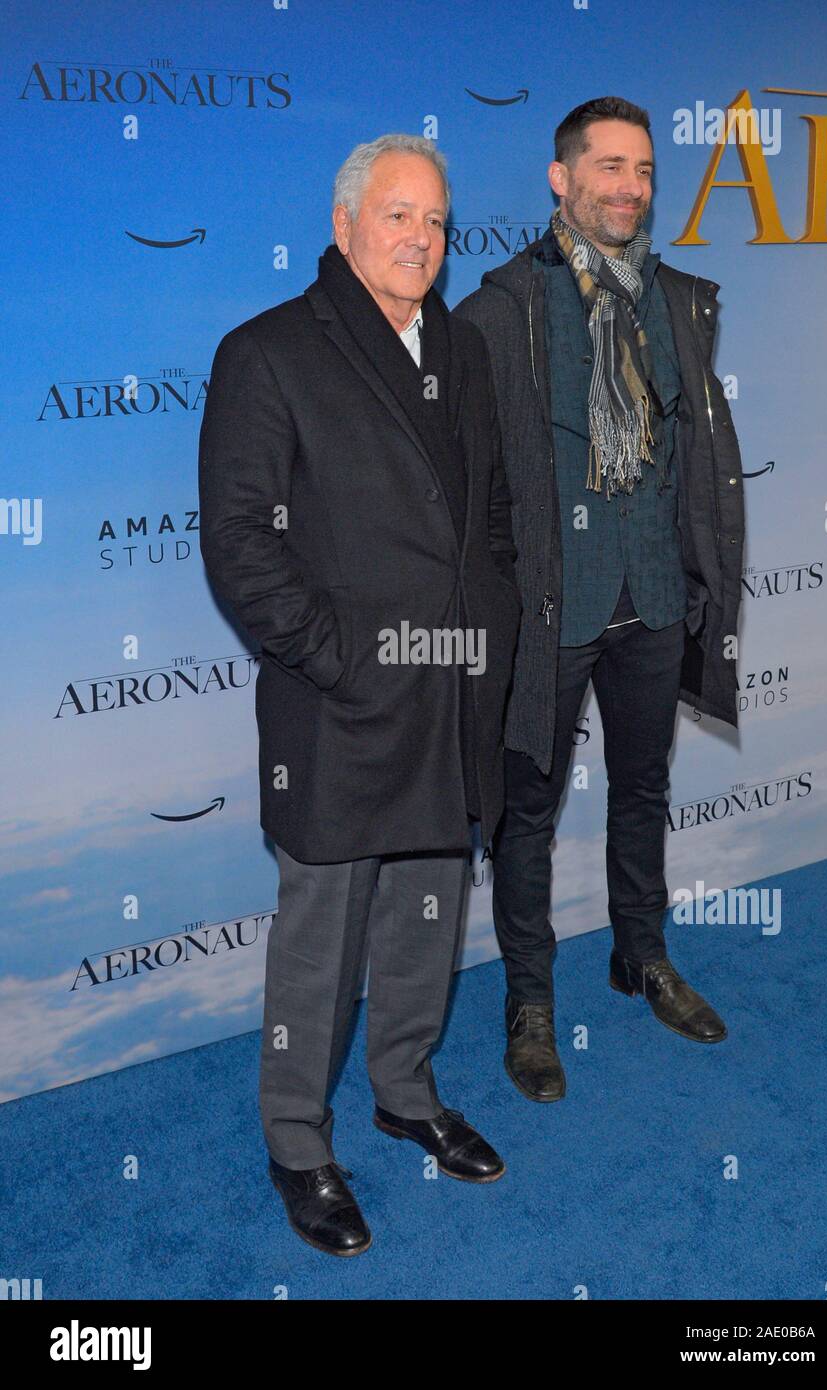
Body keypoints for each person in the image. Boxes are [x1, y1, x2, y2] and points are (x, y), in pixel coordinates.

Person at [198, 134, 521, 1256]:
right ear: (344, 228)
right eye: (398, 217)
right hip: (339, 705)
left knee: (428, 916)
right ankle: (297, 1141)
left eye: (435, 221)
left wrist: (493, 637)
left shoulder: (465, 352)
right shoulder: (269, 352)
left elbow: (486, 520)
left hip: (452, 694)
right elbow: (241, 546)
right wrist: (346, 661)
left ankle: (406, 1089)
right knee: (319, 946)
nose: (420, 240)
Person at [454, 96, 745, 1103]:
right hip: (550, 611)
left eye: (644, 171)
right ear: (560, 177)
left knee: (643, 788)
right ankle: (530, 1003)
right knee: (525, 813)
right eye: (608, 167)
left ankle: (641, 955)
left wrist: (703, 570)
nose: (627, 188)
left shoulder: (676, 301)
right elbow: (470, 489)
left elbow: (695, 459)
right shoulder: (499, 312)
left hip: (653, 595)